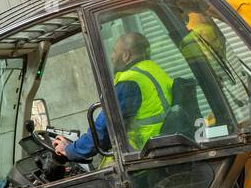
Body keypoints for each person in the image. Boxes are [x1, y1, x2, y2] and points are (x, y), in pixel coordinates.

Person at [52, 31, 174, 160]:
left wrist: (71, 150)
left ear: (125, 55)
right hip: (162, 146)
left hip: (143, 153)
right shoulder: (153, 70)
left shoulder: (130, 82)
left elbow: (104, 130)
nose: (111, 56)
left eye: (115, 52)